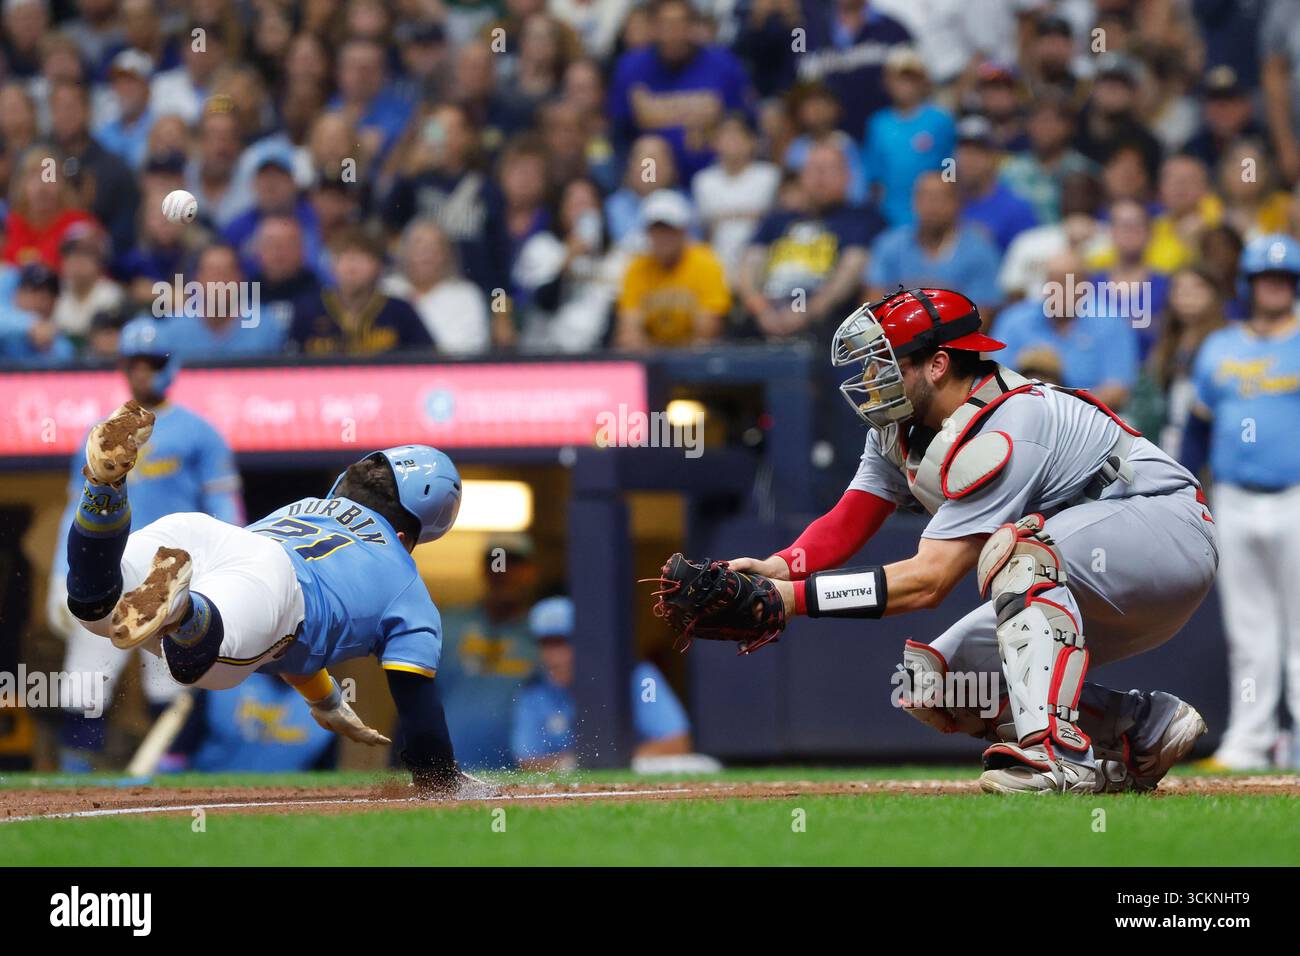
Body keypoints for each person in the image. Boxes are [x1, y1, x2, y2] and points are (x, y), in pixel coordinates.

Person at [663, 287, 1218, 793]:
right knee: (936, 684)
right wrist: (780, 569)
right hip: (1078, 566)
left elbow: (928, 582)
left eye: (885, 363)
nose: (871, 377)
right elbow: (852, 516)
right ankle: (1138, 727)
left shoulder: (1006, 421)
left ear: (937, 364)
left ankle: (1055, 756)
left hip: (1163, 531)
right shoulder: (899, 426)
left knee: (1017, 553)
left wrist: (792, 602)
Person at [61, 404, 487, 797]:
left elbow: (281, 632)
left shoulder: (308, 506)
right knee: (196, 664)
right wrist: (441, 778)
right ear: (405, 537)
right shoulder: (407, 587)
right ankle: (181, 608)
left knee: (94, 605)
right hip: (263, 582)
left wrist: (325, 700)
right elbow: (416, 699)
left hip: (204, 536)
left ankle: (104, 489)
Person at [48, 316, 243, 771]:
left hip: (169, 572)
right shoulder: (101, 433)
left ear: (169, 365)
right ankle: (72, 782)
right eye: (133, 362)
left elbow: (227, 509)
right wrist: (62, 572)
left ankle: (169, 786)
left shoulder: (200, 433)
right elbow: (75, 511)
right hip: (107, 568)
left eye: (152, 362)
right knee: (84, 681)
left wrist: (228, 569)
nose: (142, 372)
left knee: (170, 683)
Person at [1182, 235, 1300, 771]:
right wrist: (1186, 491)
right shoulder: (1220, 346)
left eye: (1283, 279)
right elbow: (1198, 431)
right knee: (1248, 630)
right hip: (1232, 496)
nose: (1274, 287)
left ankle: (1294, 739)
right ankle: (1250, 743)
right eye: (1265, 278)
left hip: (1295, 494)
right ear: (1250, 284)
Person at [511, 596, 691, 770]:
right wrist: (578, 764)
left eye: (563, 643)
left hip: (634, 781)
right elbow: (527, 761)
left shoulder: (639, 678)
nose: (553, 657)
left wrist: (613, 762)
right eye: (545, 645)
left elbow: (677, 743)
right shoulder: (535, 691)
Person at [437, 535, 542, 770]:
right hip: (450, 770)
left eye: (515, 564)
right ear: (484, 570)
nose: (504, 572)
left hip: (522, 776)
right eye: (495, 562)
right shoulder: (448, 626)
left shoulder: (544, 636)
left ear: (532, 571)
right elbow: (415, 694)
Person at [992, 250, 1140, 409]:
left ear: (1085, 287)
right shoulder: (1014, 320)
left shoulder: (1111, 323)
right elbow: (993, 380)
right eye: (1052, 282)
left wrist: (1065, 412)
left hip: (1087, 418)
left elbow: (1117, 388)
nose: (1058, 291)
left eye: (1068, 283)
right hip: (1019, 410)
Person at [615, 189, 730, 348]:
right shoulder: (636, 268)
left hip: (696, 360)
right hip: (653, 360)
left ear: (683, 231)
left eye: (669, 230)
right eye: (656, 230)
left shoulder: (706, 263)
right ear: (647, 234)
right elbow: (628, 332)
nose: (662, 238)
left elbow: (707, 331)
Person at [290, 230, 433, 355]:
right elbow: (290, 363)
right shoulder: (308, 310)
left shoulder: (400, 311)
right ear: (331, 266)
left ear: (379, 266)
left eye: (360, 258)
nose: (351, 266)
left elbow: (427, 357)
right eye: (343, 257)